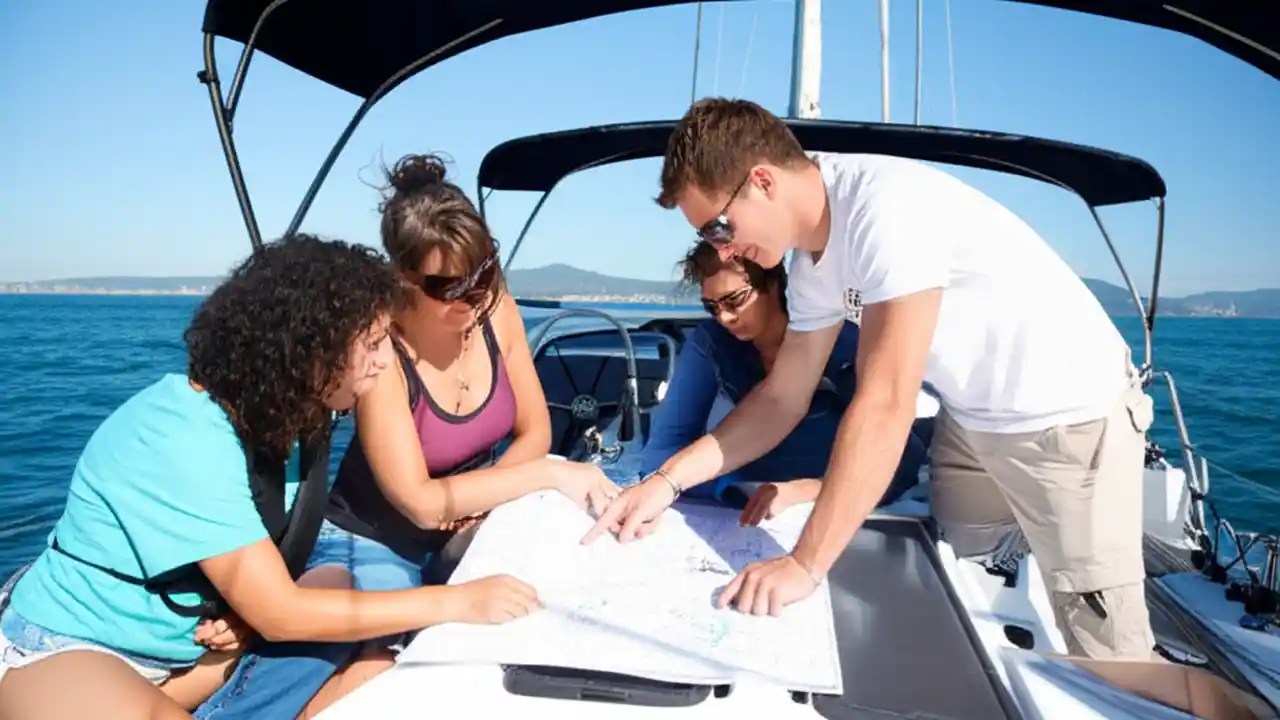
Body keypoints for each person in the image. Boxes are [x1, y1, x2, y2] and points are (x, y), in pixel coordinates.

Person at [586, 98, 1156, 661]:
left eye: (718, 227)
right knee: (964, 594)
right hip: (971, 417)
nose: (722, 249)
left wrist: (805, 565)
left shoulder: (886, 209)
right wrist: (666, 482)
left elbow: (886, 403)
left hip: (1067, 420)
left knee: (1107, 648)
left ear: (761, 181)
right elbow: (782, 398)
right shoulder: (812, 266)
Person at [0, 235, 543, 720]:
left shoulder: (290, 424)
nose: (384, 363)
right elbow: (281, 613)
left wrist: (243, 615)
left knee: (352, 618)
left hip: (192, 654)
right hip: (75, 647)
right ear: (311, 349)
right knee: (357, 654)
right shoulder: (183, 434)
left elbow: (269, 585)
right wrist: (459, 602)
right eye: (373, 343)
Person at [637, 240, 927, 521]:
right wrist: (733, 490)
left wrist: (805, 492)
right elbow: (659, 456)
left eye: (734, 300)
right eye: (711, 306)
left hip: (827, 503)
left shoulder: (843, 346)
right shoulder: (713, 344)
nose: (724, 317)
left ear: (774, 283)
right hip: (743, 506)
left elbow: (903, 462)